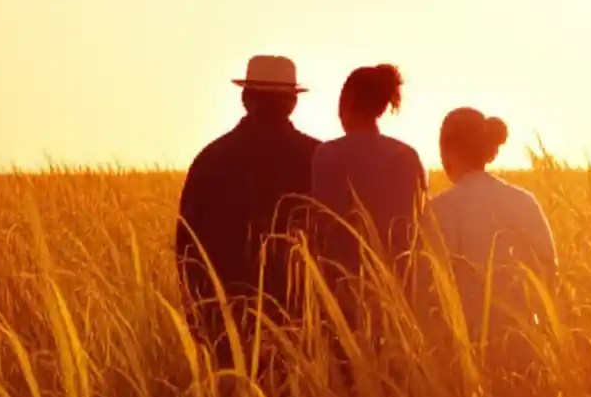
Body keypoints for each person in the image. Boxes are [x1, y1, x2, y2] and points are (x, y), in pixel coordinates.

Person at [175, 55, 321, 356]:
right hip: (300, 321)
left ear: (245, 98)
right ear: (293, 102)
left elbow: (187, 246)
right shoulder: (317, 158)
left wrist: (201, 317)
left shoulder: (211, 158)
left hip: (226, 319)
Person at [421, 107, 557, 344]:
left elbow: (424, 289)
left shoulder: (438, 210)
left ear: (447, 151)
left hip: (462, 347)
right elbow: (549, 273)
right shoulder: (525, 201)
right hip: (525, 344)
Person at [311, 64, 427, 277]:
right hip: (401, 278)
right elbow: (420, 225)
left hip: (345, 280)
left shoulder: (330, 154)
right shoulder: (407, 155)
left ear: (346, 103)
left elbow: (324, 227)